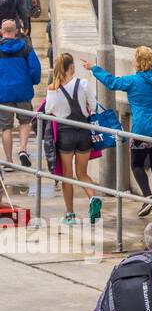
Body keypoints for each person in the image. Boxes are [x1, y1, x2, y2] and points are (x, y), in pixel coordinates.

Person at [86, 46, 152, 207]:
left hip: (141, 130)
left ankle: (148, 198)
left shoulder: (132, 81)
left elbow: (112, 82)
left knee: (136, 165)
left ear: (137, 63)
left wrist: (94, 68)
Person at [41, 52, 102, 226]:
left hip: (65, 135)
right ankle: (93, 199)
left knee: (67, 175)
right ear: (72, 67)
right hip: (84, 134)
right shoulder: (83, 84)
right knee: (82, 173)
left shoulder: (53, 88)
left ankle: (70, 215)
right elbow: (94, 106)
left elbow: (48, 110)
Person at [0, 18, 41, 171]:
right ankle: (23, 149)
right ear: (16, 31)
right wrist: (34, 81)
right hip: (23, 90)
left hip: (3, 92)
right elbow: (35, 68)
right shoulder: (25, 47)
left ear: (1, 32)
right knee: (25, 121)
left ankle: (9, 162)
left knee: (6, 127)